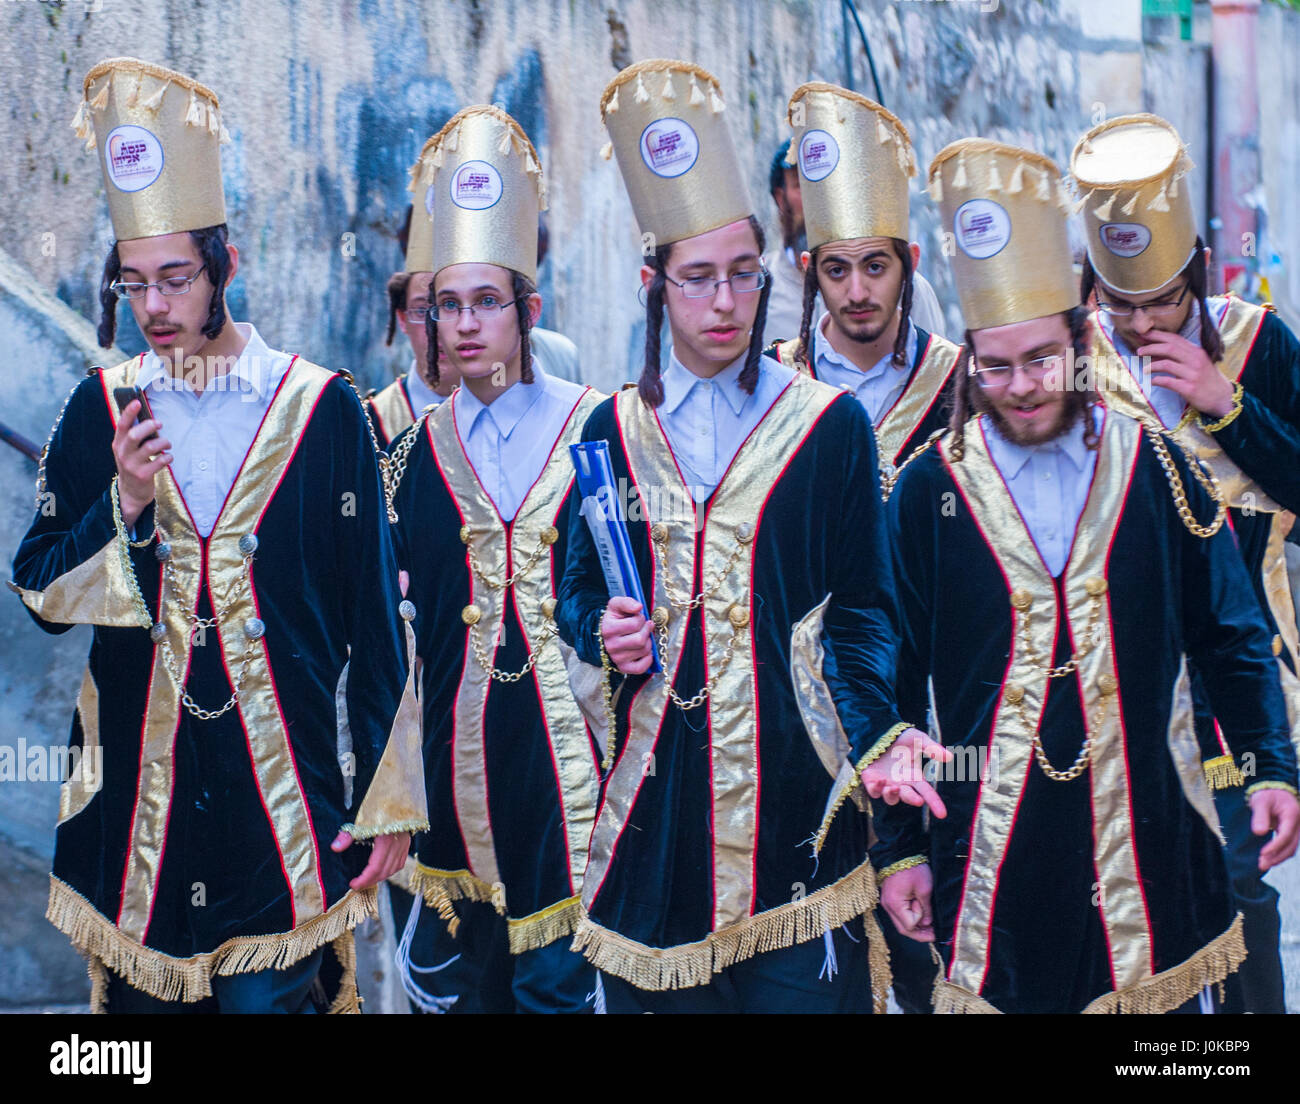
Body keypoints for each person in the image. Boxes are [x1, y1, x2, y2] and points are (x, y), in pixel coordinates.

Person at [10, 58, 425, 1014]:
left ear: (224, 267)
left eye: (176, 279)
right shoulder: (98, 408)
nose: (155, 308)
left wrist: (392, 802)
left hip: (288, 818)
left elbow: (374, 608)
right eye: (135, 283)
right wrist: (123, 499)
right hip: (135, 831)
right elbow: (37, 591)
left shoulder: (325, 411)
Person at [872, 137, 1300, 1014]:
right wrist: (899, 847)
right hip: (992, 836)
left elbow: (1229, 629)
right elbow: (887, 663)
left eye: (1041, 360)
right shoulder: (927, 489)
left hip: (1155, 808)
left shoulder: (1154, 464)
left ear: (1075, 340)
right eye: (996, 366)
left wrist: (1271, 766)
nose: (1023, 386)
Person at [556, 58, 938, 1014]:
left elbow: (864, 609)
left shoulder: (828, 426)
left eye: (741, 275)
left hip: (797, 816)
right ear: (655, 284)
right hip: (659, 818)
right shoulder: (609, 428)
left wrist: (881, 730)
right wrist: (601, 626)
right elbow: (570, 589)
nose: (723, 303)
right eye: (697, 280)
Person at [388, 105, 602, 1013]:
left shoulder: (603, 429)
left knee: (561, 991)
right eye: (448, 304)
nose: (465, 325)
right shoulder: (404, 456)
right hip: (451, 785)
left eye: (486, 302)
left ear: (529, 311)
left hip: (576, 782)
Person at [767, 83, 962, 508]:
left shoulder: (962, 383)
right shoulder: (769, 382)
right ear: (809, 272)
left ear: (910, 263)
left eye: (875, 267)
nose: (857, 292)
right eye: (836, 270)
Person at [369, 173, 457, 447]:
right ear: (402, 319)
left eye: (451, 307)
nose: (438, 329)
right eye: (422, 310)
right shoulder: (372, 422)